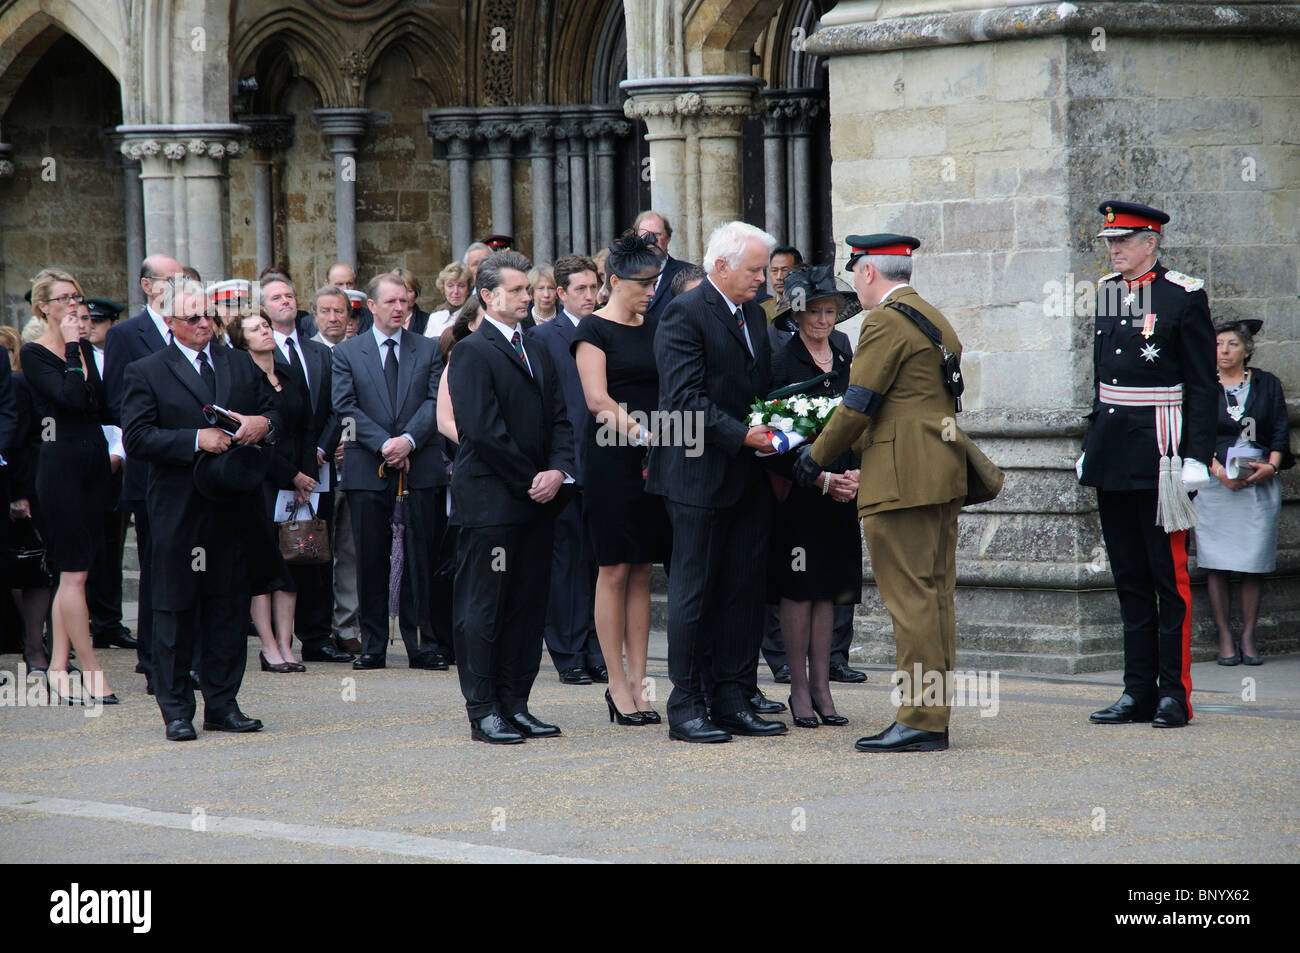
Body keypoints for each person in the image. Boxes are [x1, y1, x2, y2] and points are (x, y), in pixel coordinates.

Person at [795, 233, 967, 753]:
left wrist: (814, 459)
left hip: (901, 478)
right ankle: (932, 715)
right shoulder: (933, 316)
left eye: (855, 276)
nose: (854, 287)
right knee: (934, 597)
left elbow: (857, 405)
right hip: (941, 468)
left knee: (910, 600)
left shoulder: (885, 322)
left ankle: (919, 718)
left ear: (869, 273)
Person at [1079, 202, 1216, 730]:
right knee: (1128, 577)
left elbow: (1202, 383)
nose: (1114, 249)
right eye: (1110, 241)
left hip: (1163, 451)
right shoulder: (1109, 290)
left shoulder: (1183, 294)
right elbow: (1102, 376)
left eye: (1124, 240)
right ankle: (1135, 690)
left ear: (1151, 242)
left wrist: (1198, 457)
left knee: (1168, 577)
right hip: (1115, 448)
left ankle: (1173, 694)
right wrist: (1093, 439)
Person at [122, 278, 278, 740]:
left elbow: (276, 409)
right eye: (193, 318)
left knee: (228, 607)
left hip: (232, 507)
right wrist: (195, 439)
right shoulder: (148, 370)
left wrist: (261, 423)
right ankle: (175, 708)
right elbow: (137, 438)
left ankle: (223, 704)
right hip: (179, 508)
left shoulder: (238, 362)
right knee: (174, 608)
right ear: (171, 323)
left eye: (208, 315)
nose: (204, 324)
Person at [647, 220, 785, 743]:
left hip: (748, 477)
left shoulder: (751, 312)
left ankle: (733, 695)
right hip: (696, 476)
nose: (763, 282)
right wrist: (744, 436)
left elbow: (759, 387)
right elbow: (684, 399)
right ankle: (685, 705)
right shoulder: (683, 313)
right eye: (754, 271)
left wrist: (785, 426)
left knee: (744, 591)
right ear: (720, 266)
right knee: (693, 593)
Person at [447, 250, 575, 744]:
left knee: (526, 604)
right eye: (519, 290)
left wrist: (559, 470)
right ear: (488, 295)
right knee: (485, 607)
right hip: (492, 503)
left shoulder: (538, 347)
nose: (529, 296)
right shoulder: (472, 351)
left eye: (528, 289)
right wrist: (532, 478)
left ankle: (516, 702)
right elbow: (481, 431)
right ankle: (484, 710)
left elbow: (562, 416)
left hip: (539, 501)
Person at [573, 235, 673, 724]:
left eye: (655, 282)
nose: (651, 290)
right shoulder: (592, 330)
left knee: (641, 570)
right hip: (612, 460)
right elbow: (597, 399)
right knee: (613, 569)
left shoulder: (657, 327)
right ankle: (615, 684)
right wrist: (643, 433)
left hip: (652, 462)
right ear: (614, 281)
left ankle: (640, 681)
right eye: (642, 283)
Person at [331, 273, 447, 671]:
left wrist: (409, 440)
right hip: (368, 467)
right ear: (374, 307)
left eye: (406, 302)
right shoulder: (348, 353)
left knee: (421, 556)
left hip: (421, 465)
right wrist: (385, 443)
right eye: (392, 302)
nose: (400, 308)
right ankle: (373, 645)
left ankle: (422, 645)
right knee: (370, 558)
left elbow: (435, 400)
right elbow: (345, 405)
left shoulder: (428, 349)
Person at [767, 266, 862, 727]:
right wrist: (818, 478)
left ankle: (823, 686)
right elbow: (771, 438)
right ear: (797, 314)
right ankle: (799, 690)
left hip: (844, 489)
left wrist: (857, 474)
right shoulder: (781, 360)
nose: (824, 320)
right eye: (816, 312)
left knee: (829, 588)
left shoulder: (845, 352)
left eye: (831, 312)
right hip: (800, 492)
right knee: (800, 588)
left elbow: (862, 416)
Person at [21, 270, 116, 704]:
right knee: (73, 571)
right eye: (64, 298)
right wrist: (77, 347)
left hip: (93, 461)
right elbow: (70, 399)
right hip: (58, 467)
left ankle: (58, 666)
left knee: (74, 574)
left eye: (77, 296)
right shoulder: (36, 353)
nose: (75, 305)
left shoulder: (86, 353)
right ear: (45, 307)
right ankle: (90, 668)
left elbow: (99, 402)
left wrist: (84, 351)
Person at [104, 253, 185, 693]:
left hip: (197, 470)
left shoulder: (198, 328)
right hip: (153, 468)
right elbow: (116, 401)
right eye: (169, 278)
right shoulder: (125, 335)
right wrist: (176, 432)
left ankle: (184, 654)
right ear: (147, 285)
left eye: (181, 276)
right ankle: (154, 659)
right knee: (157, 563)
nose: (177, 282)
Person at [263, 277, 351, 664]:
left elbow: (335, 408)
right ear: (263, 308)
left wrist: (319, 451)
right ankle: (275, 639)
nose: (285, 301)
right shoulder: (257, 353)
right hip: (275, 471)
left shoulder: (320, 353)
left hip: (318, 468)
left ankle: (316, 636)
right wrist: (291, 466)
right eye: (275, 297)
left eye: (289, 295)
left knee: (315, 550)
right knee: (276, 552)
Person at [529, 255, 606, 686]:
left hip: (603, 465)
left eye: (593, 287)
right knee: (565, 566)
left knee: (599, 565)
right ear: (559, 294)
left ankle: (595, 648)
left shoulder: (605, 330)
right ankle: (567, 652)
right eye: (580, 289)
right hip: (563, 467)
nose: (590, 296)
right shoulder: (543, 337)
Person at [1193, 319, 1289, 666]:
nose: (1224, 351)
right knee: (1217, 563)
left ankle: (1248, 634)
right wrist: (1220, 473)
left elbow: (1280, 428)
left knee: (1253, 563)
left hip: (1258, 480)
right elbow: (1194, 433)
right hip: (1215, 481)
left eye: (1232, 344)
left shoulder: (1266, 384)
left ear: (1247, 349)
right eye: (1218, 344)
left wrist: (1272, 466)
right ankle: (1224, 635)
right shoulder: (1202, 385)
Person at [226, 312, 313, 672]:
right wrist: (291, 474)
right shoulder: (242, 378)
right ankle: (268, 646)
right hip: (260, 480)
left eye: (265, 326)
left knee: (293, 562)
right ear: (242, 340)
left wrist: (307, 473)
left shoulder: (290, 372)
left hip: (301, 484)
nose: (265, 331)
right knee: (263, 564)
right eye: (255, 329)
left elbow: (306, 425)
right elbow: (250, 435)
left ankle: (287, 643)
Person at [309, 285, 361, 653]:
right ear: (314, 315)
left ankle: (347, 627)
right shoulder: (305, 354)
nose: (333, 318)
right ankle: (316, 627)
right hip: (315, 467)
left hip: (354, 465)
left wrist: (352, 442)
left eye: (339, 312)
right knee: (313, 549)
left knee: (350, 549)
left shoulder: (358, 353)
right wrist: (325, 448)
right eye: (325, 311)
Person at [84, 297, 135, 653]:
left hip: (115, 464)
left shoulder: (119, 359)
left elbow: (122, 413)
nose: (90, 327)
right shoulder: (78, 359)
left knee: (111, 546)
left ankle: (108, 621)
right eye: (85, 320)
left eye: (97, 322)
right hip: (81, 463)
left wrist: (117, 455)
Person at [2, 325, 52, 674]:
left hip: (12, 477)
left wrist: (18, 492)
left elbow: (9, 421)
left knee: (33, 570)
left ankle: (35, 647)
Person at [634, 210, 690, 321]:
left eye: (656, 235)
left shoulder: (686, 273)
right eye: (644, 235)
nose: (650, 240)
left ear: (668, 238)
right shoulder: (628, 275)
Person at [425, 262, 472, 341]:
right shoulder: (435, 317)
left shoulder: (474, 315)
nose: (456, 291)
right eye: (450, 286)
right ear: (443, 288)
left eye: (461, 286)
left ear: (468, 289)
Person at [760, 245, 803, 323]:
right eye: (774, 270)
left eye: (785, 270)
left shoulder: (812, 305)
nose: (779, 277)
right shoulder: (761, 310)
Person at [392, 267, 431, 336]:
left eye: (409, 291)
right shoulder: (382, 319)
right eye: (399, 291)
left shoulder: (428, 320)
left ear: (415, 293)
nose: (404, 296)